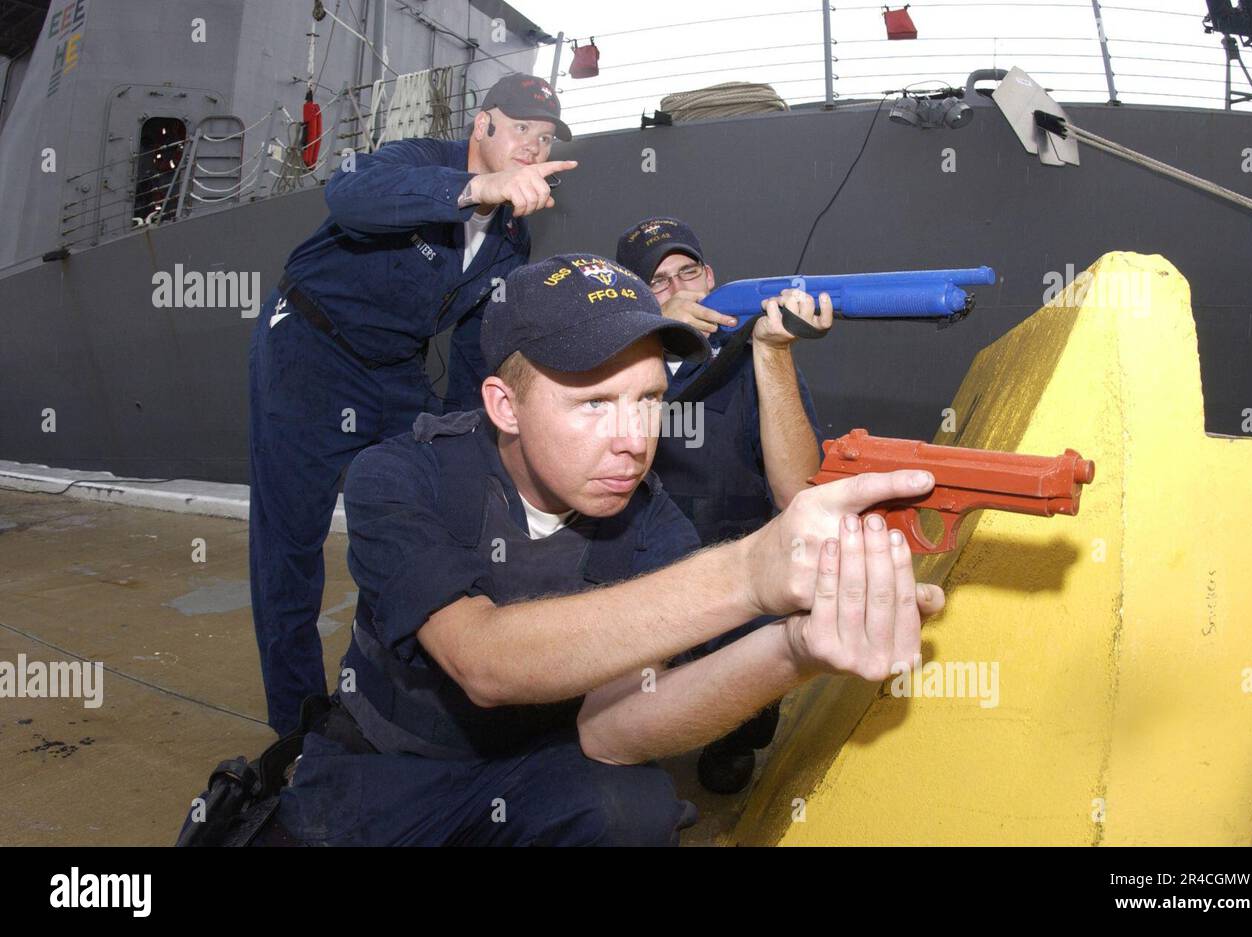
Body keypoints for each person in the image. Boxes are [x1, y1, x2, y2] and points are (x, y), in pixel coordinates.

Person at [275, 254, 945, 846]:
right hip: (390, 770)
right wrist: (747, 572)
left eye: (649, 398)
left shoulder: (649, 521)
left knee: (634, 810)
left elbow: (613, 732)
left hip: (537, 761)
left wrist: (796, 648)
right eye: (595, 404)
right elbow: (482, 660)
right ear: (505, 406)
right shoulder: (402, 477)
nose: (634, 439)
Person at [248, 73, 576, 736]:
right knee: (289, 544)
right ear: (482, 124)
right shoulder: (416, 163)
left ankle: (393, 690)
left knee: (441, 505)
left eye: (543, 140)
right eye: (520, 131)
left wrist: (467, 440)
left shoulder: (512, 241)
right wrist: (471, 190)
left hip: (393, 372)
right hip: (308, 350)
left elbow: (476, 345)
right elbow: (349, 195)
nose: (531, 149)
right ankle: (300, 730)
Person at [615, 217, 830, 793]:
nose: (681, 288)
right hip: (635, 563)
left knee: (746, 697)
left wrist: (773, 357)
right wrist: (656, 345)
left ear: (712, 276)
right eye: (658, 282)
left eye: (690, 271)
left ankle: (733, 734)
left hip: (736, 562)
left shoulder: (752, 357)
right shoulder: (615, 368)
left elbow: (798, 491)